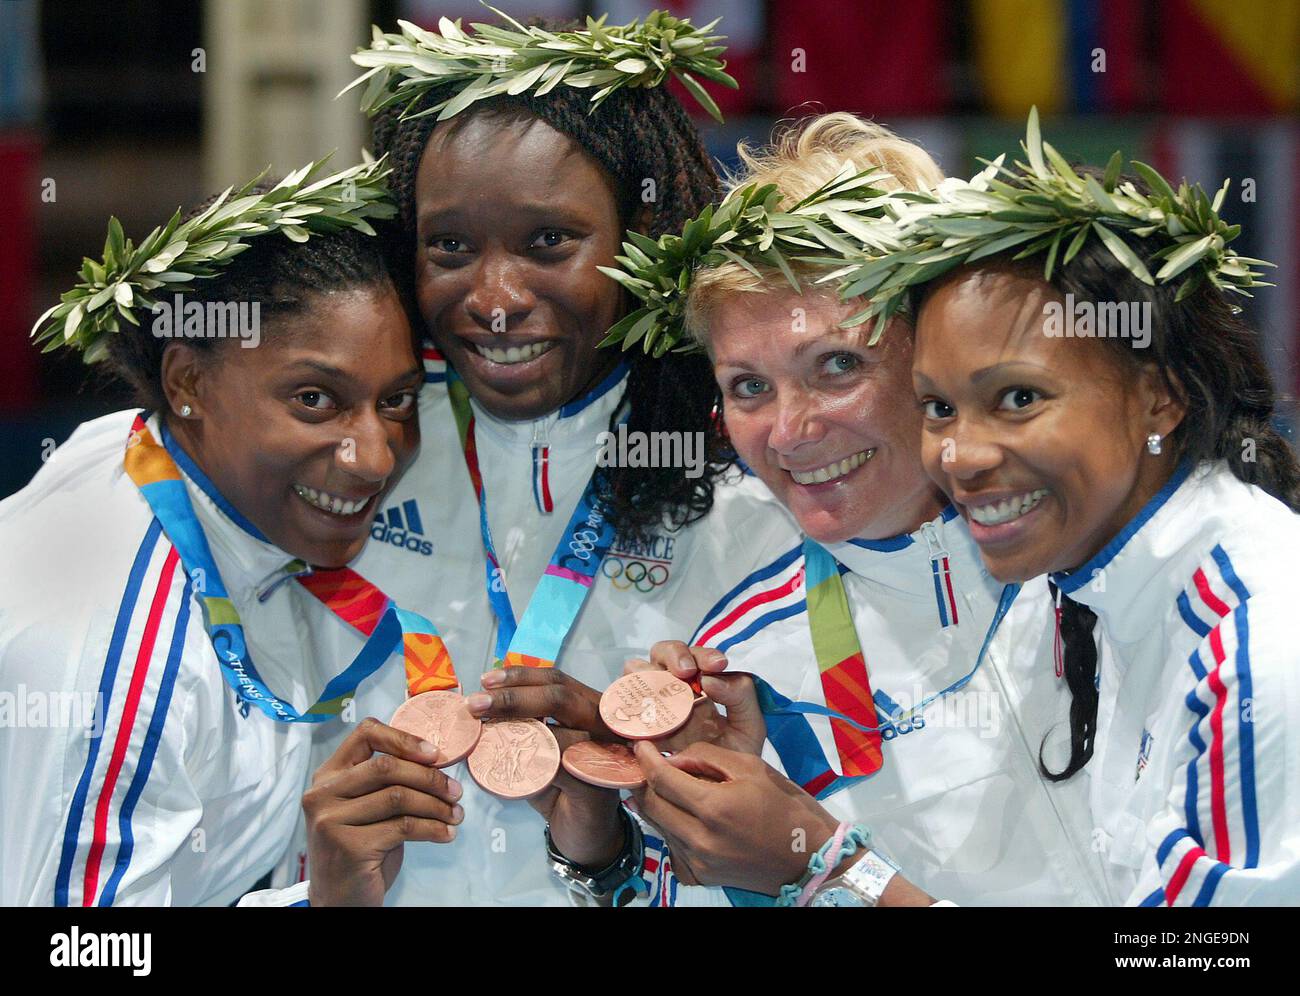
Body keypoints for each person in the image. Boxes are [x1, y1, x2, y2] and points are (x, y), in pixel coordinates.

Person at [240, 12, 802, 907]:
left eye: (548, 242)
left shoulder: (761, 473)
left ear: (643, 230)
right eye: (449, 246)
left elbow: (809, 847)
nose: (495, 301)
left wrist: (607, 850)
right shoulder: (345, 464)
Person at [548, 113, 1100, 906]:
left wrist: (831, 871)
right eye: (748, 387)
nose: (791, 430)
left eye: (838, 364)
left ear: (938, 350)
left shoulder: (1113, 566)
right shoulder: (737, 669)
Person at [0, 162, 466, 905]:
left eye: (397, 400)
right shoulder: (124, 658)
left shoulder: (153, 454)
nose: (374, 456)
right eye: (315, 400)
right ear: (188, 383)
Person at [904, 127, 1300, 904]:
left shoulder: (1256, 646)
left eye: (1018, 398)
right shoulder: (1109, 577)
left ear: (1161, 394)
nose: (961, 455)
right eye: (939, 407)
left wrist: (839, 877)